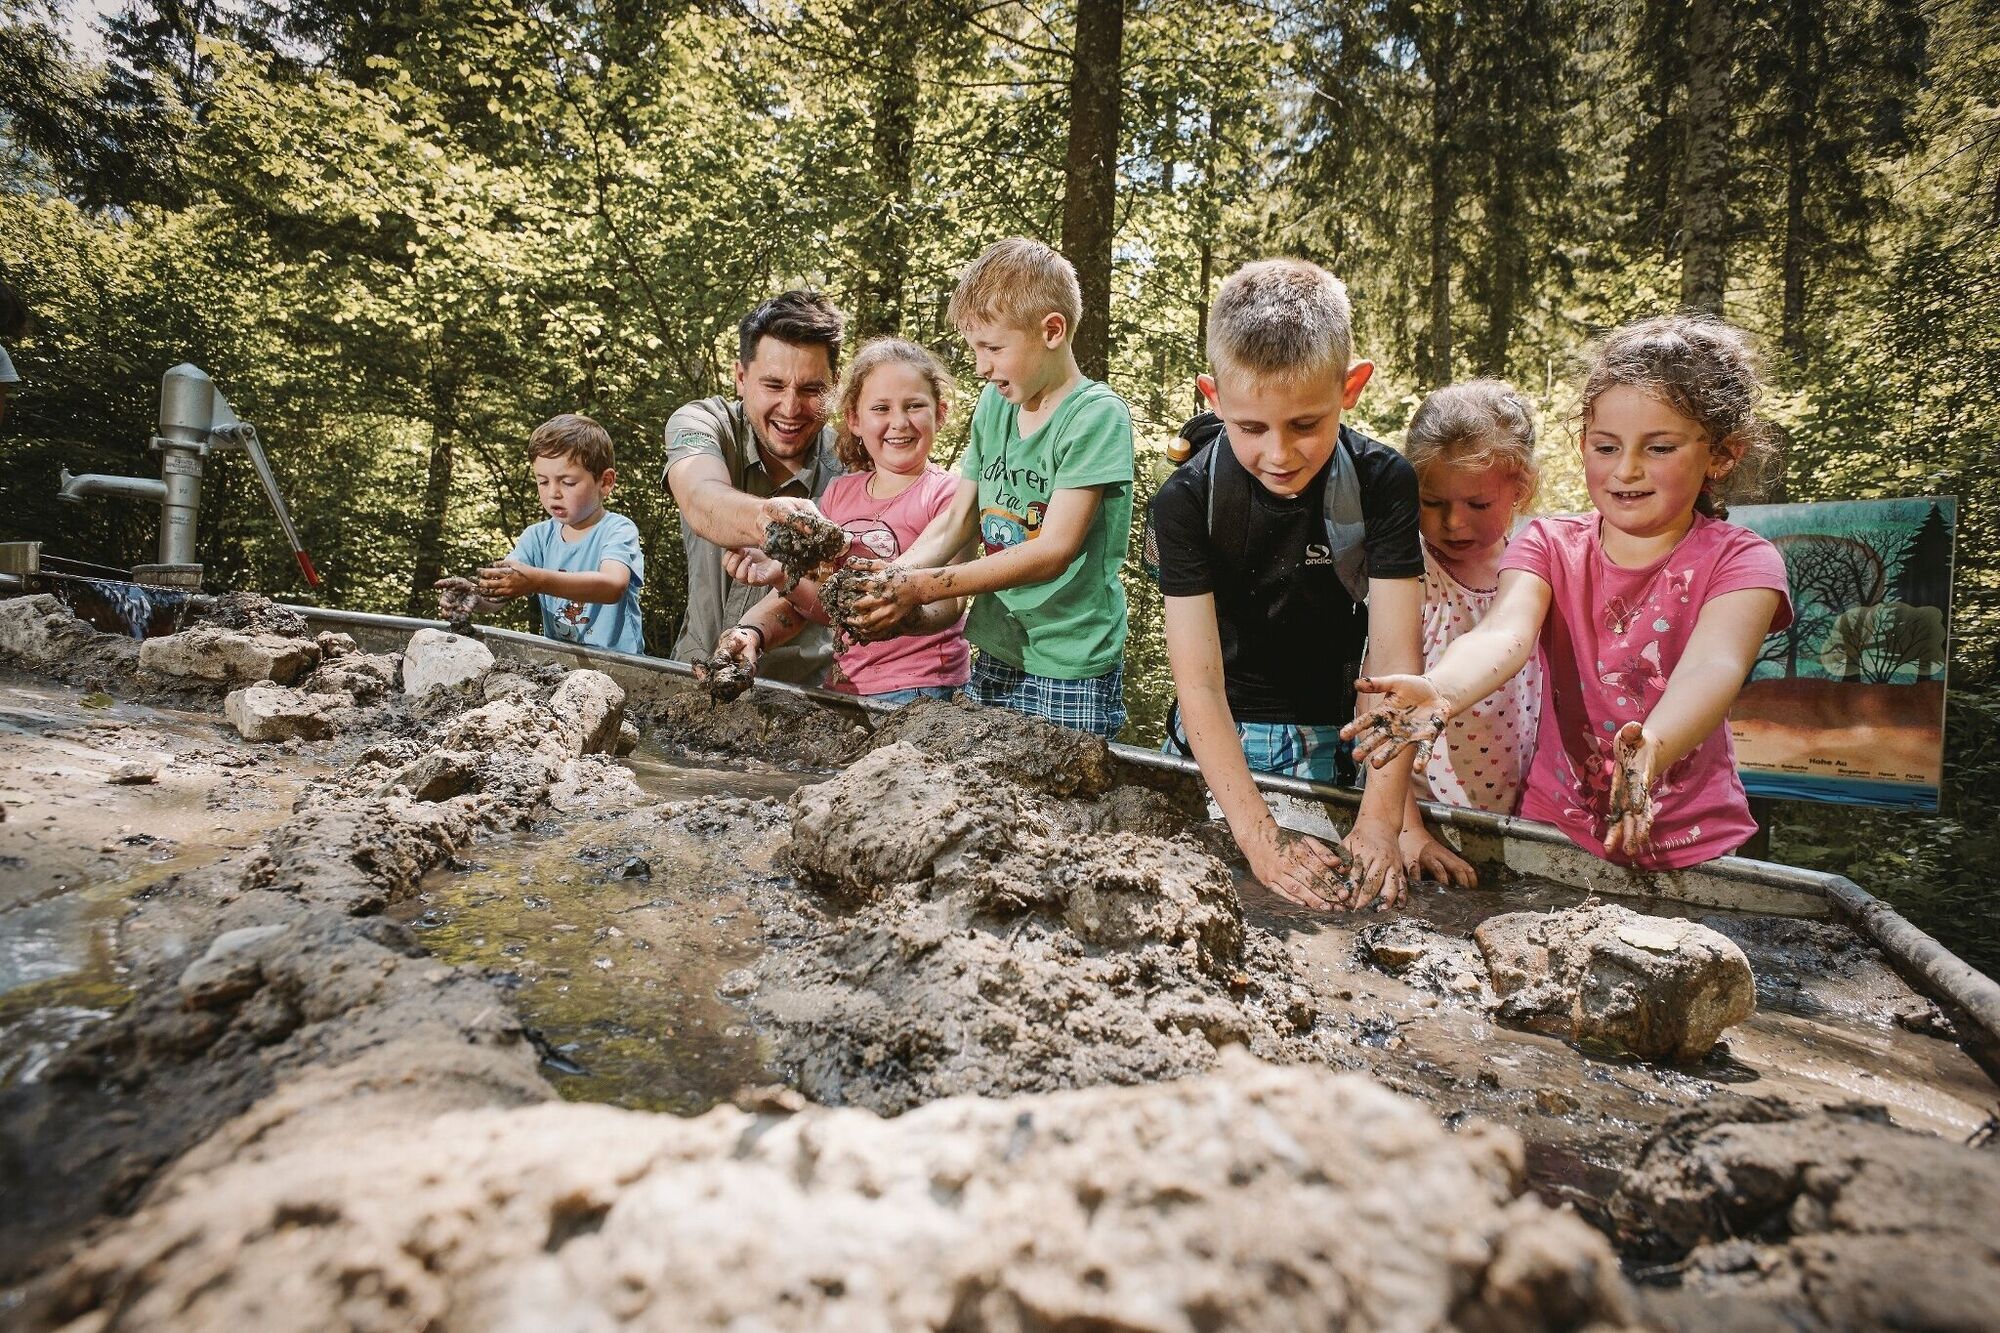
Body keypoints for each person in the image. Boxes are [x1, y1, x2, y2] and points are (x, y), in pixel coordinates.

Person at [1345, 314, 1793, 868]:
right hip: (1552, 831)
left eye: (1658, 448)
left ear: (1722, 455)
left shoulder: (1742, 560)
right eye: (1607, 447)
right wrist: (1439, 690)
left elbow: (1714, 667)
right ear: (1583, 444)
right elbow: (1503, 633)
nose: (1626, 470)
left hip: (1694, 838)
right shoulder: (1549, 543)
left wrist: (1653, 746)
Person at [1148, 259, 1424, 912]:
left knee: (1334, 920)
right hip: (1214, 741)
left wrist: (1382, 821)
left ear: (1350, 387)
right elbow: (1198, 681)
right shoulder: (1186, 500)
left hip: (1335, 739)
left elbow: (1395, 662)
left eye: (1305, 424)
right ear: (1213, 398)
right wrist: (1259, 836)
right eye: (1250, 428)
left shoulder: (1383, 482)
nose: (1279, 453)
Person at [844, 238, 1135, 738]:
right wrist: (894, 575)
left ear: (1051, 330)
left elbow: (1054, 550)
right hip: (998, 647)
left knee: (1062, 806)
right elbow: (958, 521)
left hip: (1071, 659)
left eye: (993, 348)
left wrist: (922, 586)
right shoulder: (995, 404)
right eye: (975, 348)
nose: (981, 367)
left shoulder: (1095, 417)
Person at [711, 338, 971, 704]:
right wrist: (770, 594)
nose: (899, 422)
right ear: (854, 419)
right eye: (881, 408)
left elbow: (951, 604)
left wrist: (897, 609)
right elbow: (818, 605)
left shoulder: (950, 494)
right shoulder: (839, 495)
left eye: (914, 406)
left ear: (940, 413)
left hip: (923, 688)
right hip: (844, 688)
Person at [1395, 380, 1544, 888]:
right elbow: (1378, 707)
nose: (1453, 523)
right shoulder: (1411, 573)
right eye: (1432, 502)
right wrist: (1406, 829)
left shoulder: (1534, 568)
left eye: (1478, 505)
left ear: (1520, 486)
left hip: (1519, 813)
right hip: (1425, 810)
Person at [663, 291, 846, 683]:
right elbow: (701, 497)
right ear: (741, 378)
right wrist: (775, 522)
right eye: (774, 385)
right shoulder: (701, 423)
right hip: (687, 676)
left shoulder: (856, 468)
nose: (791, 407)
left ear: (835, 386)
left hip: (804, 698)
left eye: (812, 389)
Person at [474, 413, 646, 654]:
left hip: (621, 666)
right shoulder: (536, 537)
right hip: (560, 668)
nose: (553, 493)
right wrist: (474, 598)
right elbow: (503, 586)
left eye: (568, 482)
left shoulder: (617, 530)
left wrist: (537, 580)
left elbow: (613, 585)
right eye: (543, 481)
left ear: (605, 482)